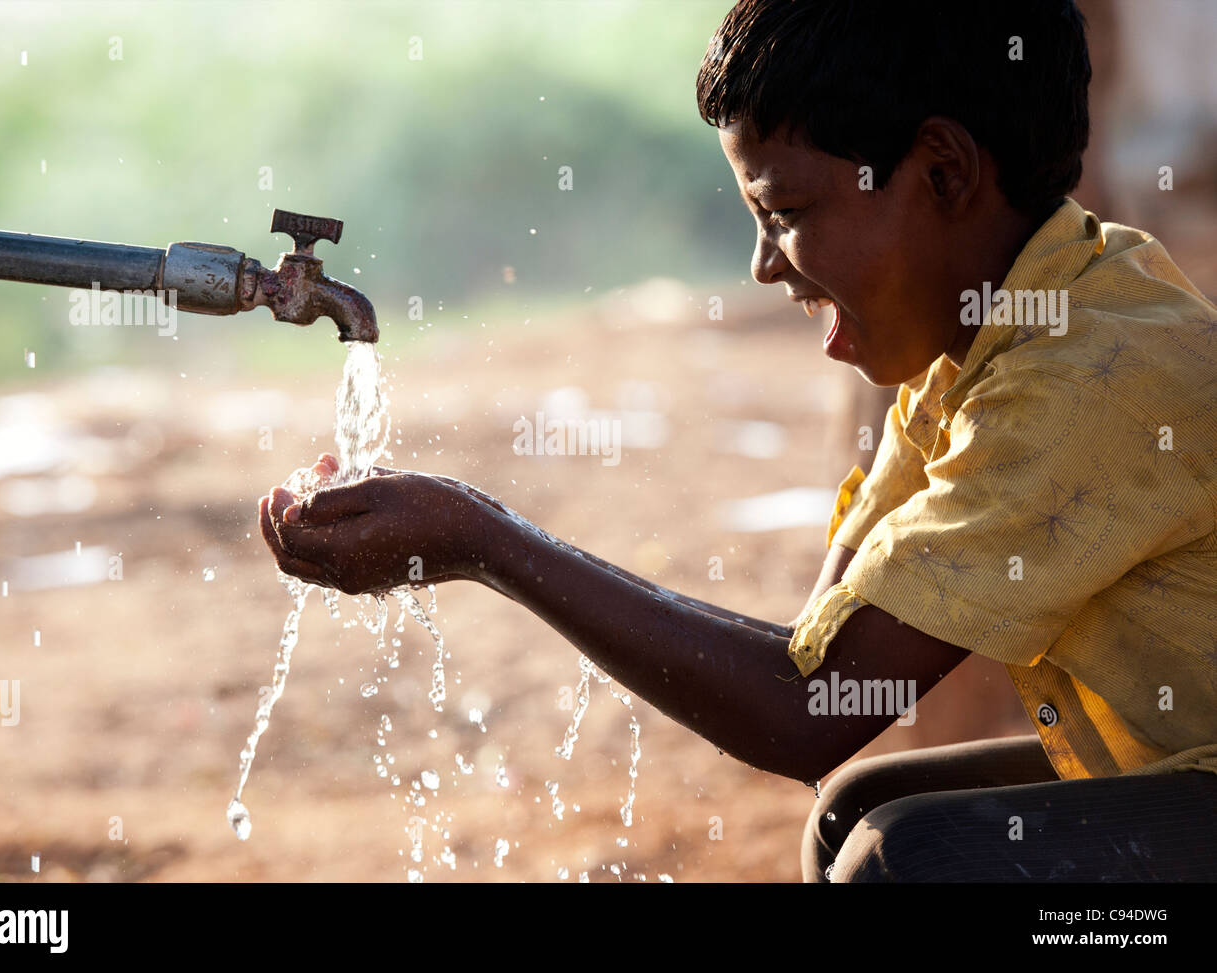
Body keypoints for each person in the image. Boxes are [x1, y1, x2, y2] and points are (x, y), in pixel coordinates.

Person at [258, 0, 1217, 882]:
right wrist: (484, 535)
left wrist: (485, 540)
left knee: (907, 860)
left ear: (943, 172)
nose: (763, 267)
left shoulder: (1087, 378)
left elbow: (808, 714)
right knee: (863, 809)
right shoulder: (1004, 326)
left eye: (788, 215)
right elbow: (819, 656)